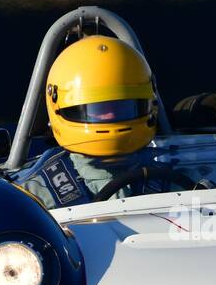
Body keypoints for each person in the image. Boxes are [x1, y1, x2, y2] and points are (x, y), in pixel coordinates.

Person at [17, 34, 161, 209]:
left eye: (121, 107)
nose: (109, 117)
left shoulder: (182, 182)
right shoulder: (31, 199)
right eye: (97, 110)